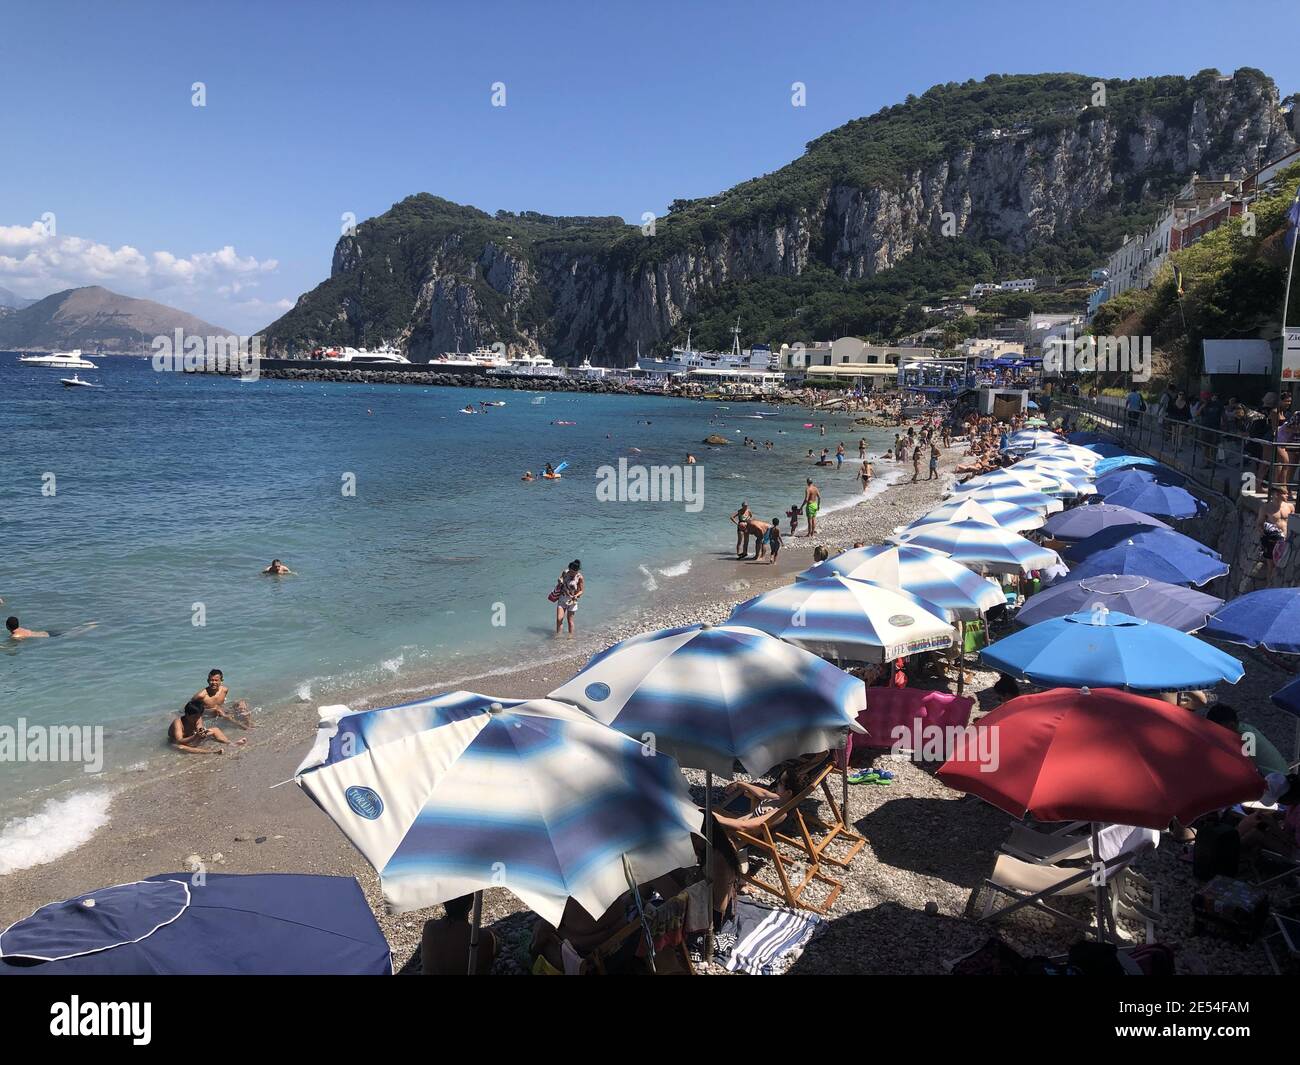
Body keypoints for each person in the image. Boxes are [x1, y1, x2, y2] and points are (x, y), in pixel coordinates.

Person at [1205, 704, 1290, 779]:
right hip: (1279, 775)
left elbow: (1248, 768)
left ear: (1231, 725)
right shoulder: (1245, 728)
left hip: (1277, 783)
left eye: (1217, 730)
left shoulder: (1246, 738)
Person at [421, 894, 496, 975]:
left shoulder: (429, 928)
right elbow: (497, 947)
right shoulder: (482, 937)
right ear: (471, 904)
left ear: (444, 903)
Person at [168, 698, 244, 754]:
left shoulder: (198, 718)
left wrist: (202, 733)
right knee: (180, 747)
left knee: (215, 730)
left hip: (192, 738)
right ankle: (212, 752)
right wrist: (195, 736)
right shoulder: (178, 722)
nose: (196, 719)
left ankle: (230, 744)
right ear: (187, 714)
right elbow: (179, 740)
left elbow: (200, 729)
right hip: (179, 742)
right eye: (194, 717)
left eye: (198, 716)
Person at [553, 560, 583, 636]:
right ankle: (558, 636)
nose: (572, 573)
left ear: (577, 571)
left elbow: (582, 591)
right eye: (571, 571)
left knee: (570, 621)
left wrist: (576, 596)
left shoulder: (580, 577)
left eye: (574, 572)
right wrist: (560, 581)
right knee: (559, 619)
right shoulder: (565, 572)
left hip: (572, 601)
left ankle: (570, 637)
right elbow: (560, 579)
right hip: (562, 598)